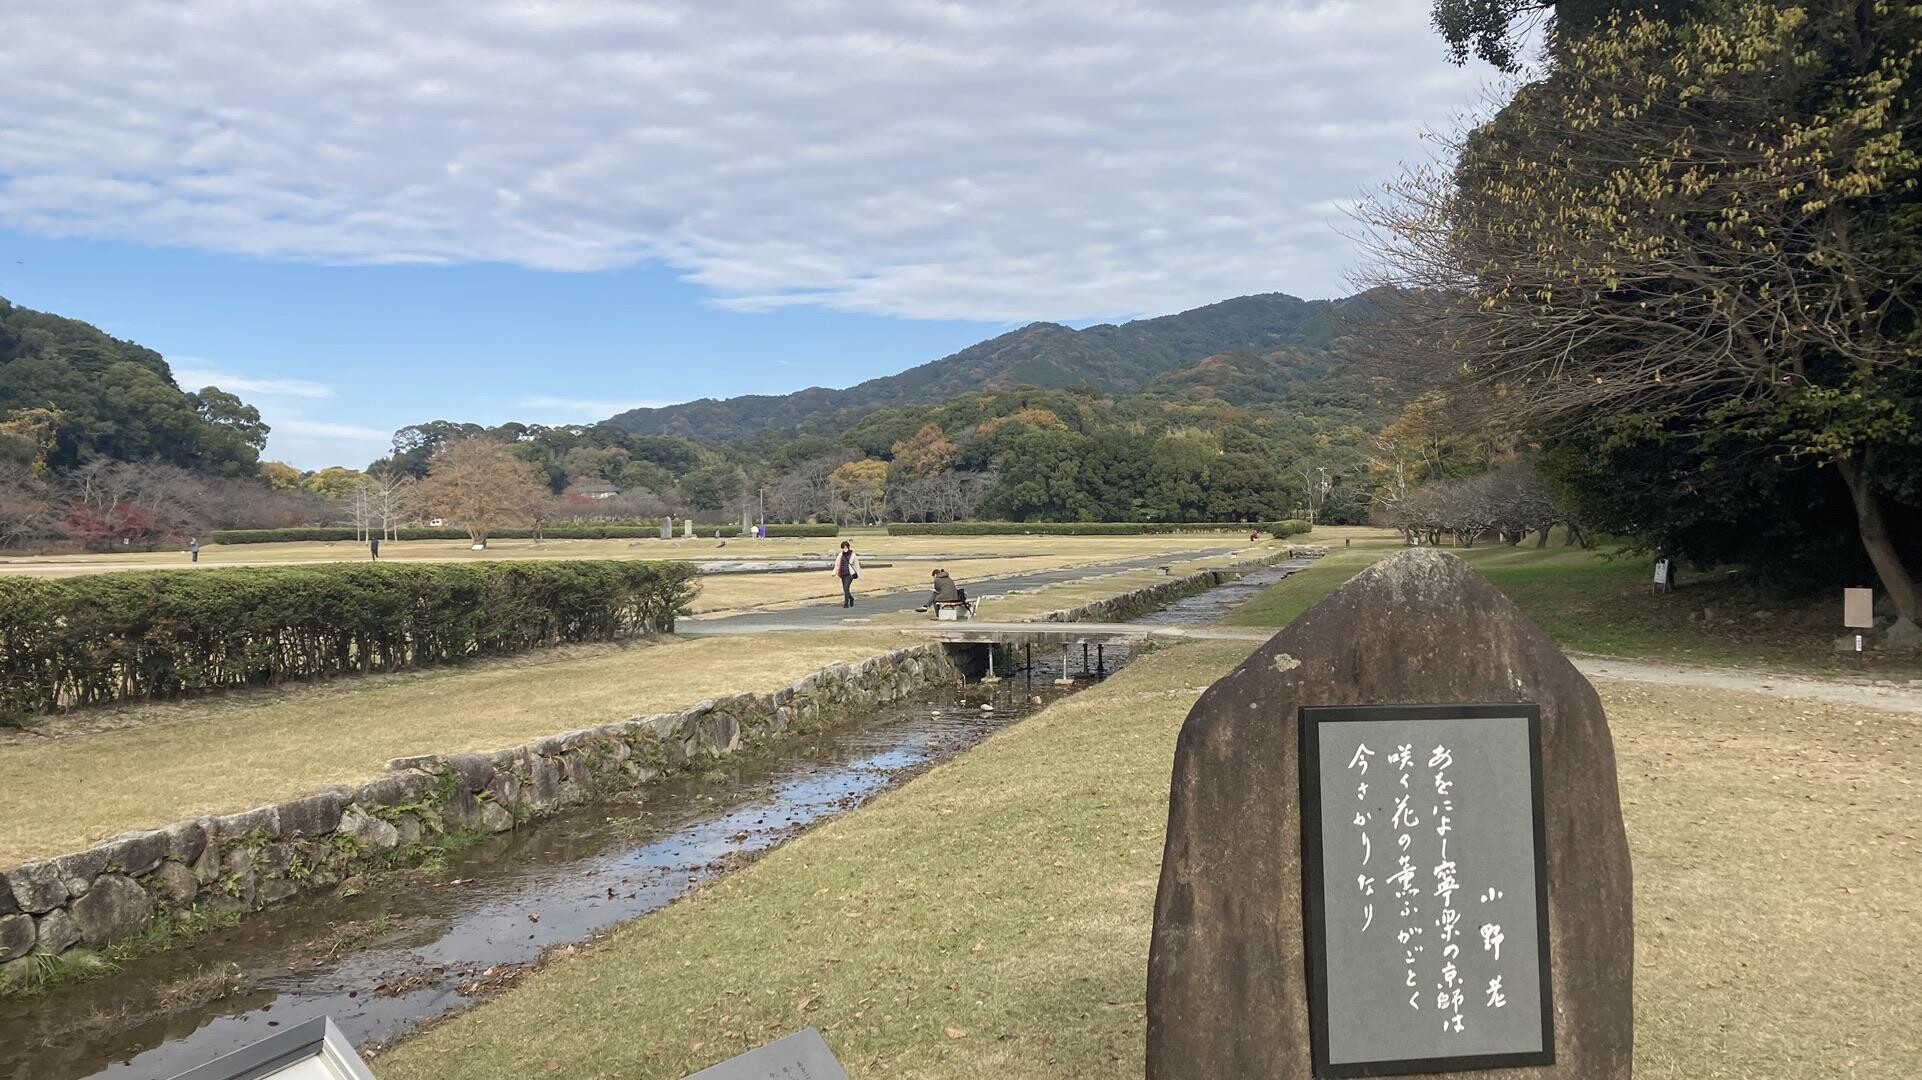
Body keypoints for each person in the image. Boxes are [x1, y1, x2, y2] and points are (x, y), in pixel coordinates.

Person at [833, 540, 861, 608]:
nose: (845, 549)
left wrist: (859, 574)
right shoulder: (840, 555)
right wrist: (834, 572)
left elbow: (856, 565)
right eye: (843, 547)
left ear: (848, 547)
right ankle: (851, 598)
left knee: (846, 587)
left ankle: (846, 603)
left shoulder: (852, 555)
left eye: (846, 547)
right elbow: (837, 564)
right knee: (845, 589)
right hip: (842, 573)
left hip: (850, 574)